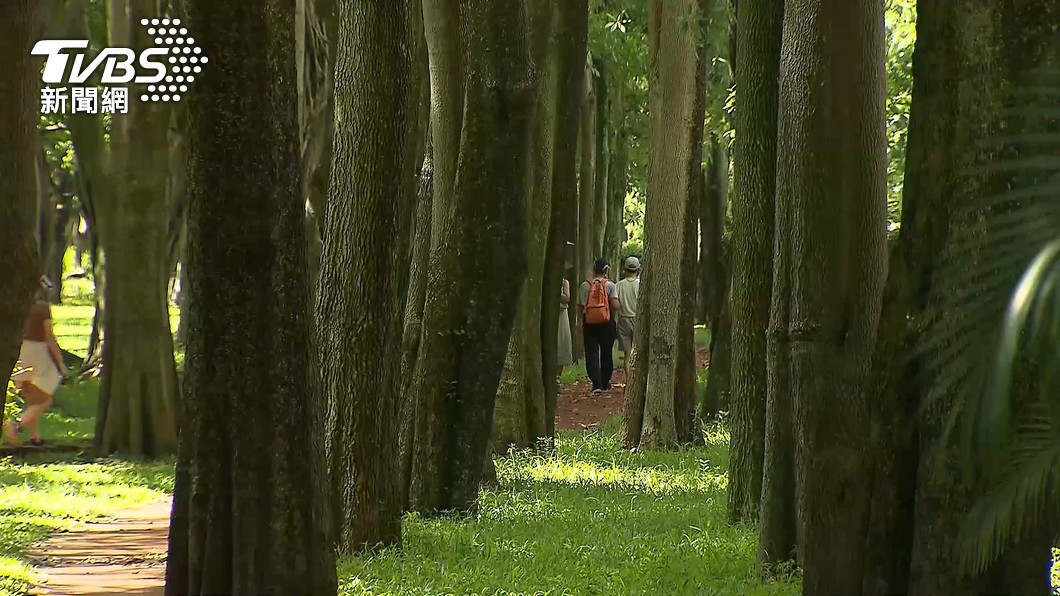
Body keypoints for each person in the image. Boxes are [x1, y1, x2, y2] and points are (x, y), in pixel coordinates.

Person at [4, 277, 66, 447]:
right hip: (37, 350)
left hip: (22, 349)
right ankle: (17, 424)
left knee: (31, 395)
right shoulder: (42, 308)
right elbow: (49, 337)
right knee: (46, 399)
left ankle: (35, 437)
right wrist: (60, 364)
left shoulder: (20, 306)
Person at [577, 257, 620, 394]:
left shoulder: (585, 285)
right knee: (606, 352)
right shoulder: (610, 285)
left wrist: (580, 321)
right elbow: (615, 305)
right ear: (606, 270)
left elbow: (580, 307)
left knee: (591, 352)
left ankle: (596, 383)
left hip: (589, 322)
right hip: (607, 322)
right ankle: (605, 381)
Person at [615, 256, 641, 373]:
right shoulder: (641, 284)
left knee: (627, 354)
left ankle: (629, 381)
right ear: (638, 269)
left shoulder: (619, 285)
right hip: (638, 319)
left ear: (624, 269)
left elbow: (615, 303)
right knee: (638, 352)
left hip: (623, 319)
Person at [557, 278, 573, 387]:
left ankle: (557, 378)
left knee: (562, 345)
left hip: (561, 315)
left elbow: (567, 298)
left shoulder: (564, 282)